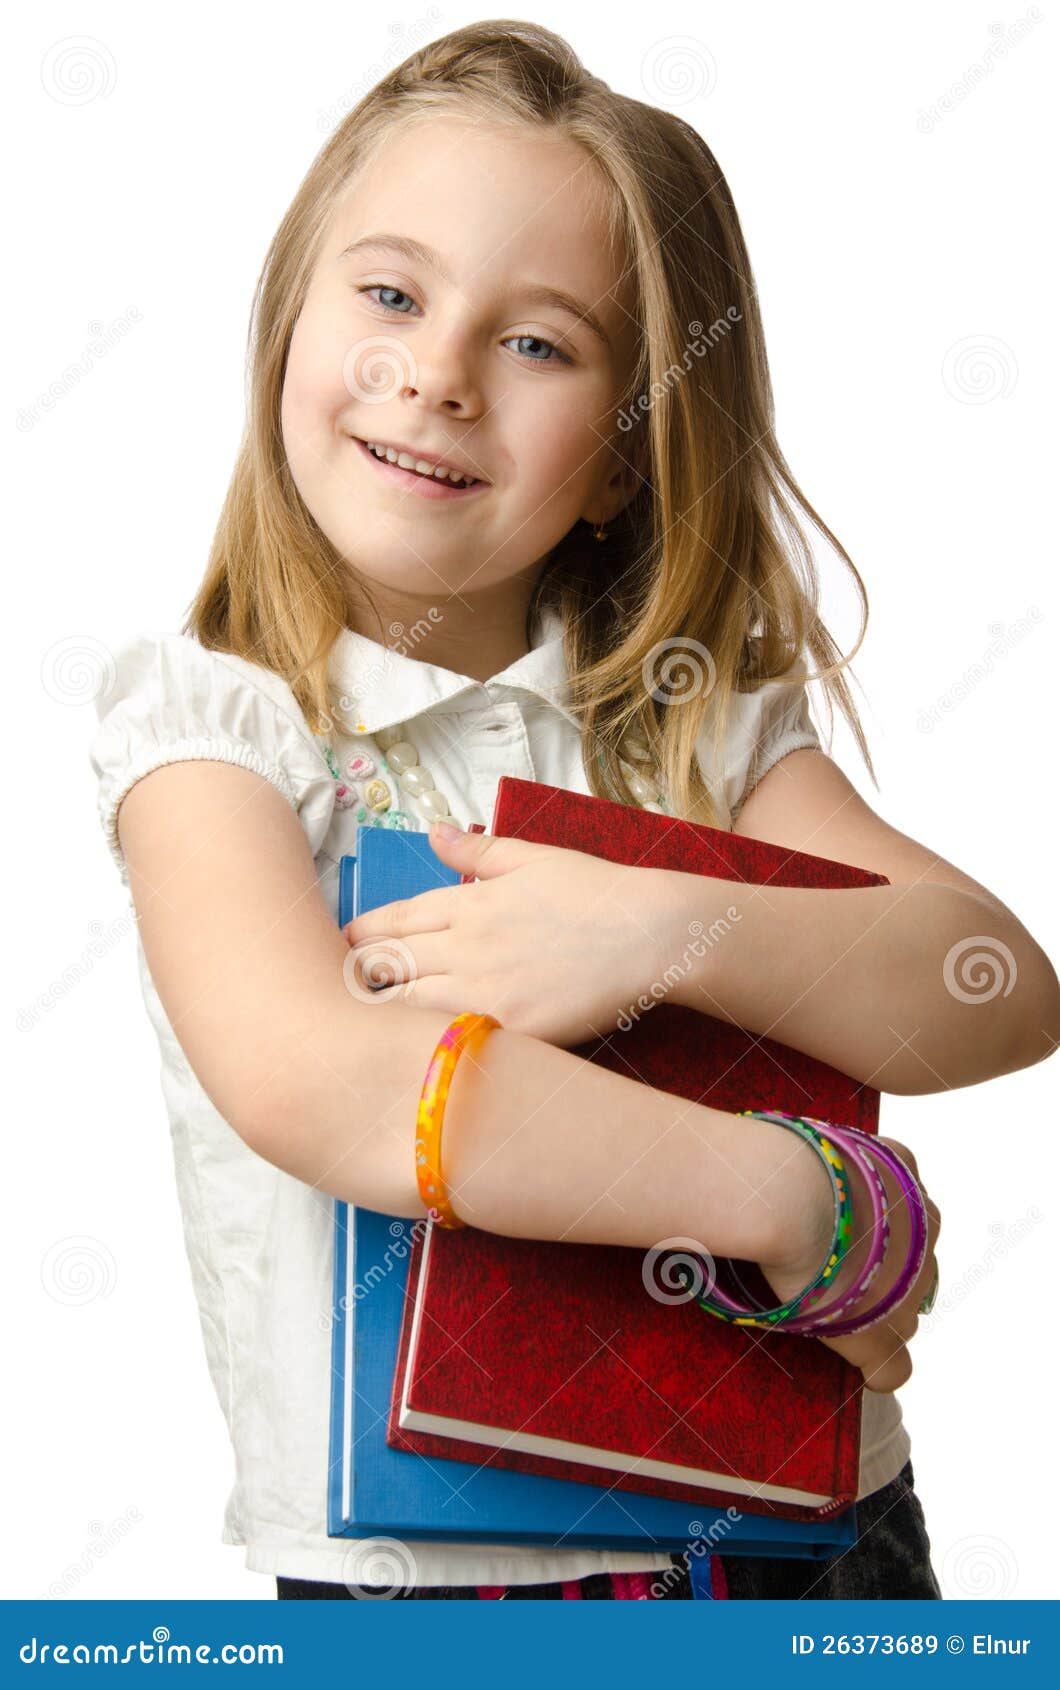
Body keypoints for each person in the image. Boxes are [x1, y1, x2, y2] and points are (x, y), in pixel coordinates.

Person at [88, 21, 1057, 1601]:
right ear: (287, 322)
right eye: (390, 294)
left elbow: (995, 983)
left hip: (801, 1551)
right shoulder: (223, 729)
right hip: (428, 1593)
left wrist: (665, 925)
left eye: (539, 342)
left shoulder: (690, 724)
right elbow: (324, 1080)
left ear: (623, 454)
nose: (440, 373)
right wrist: (797, 1198)